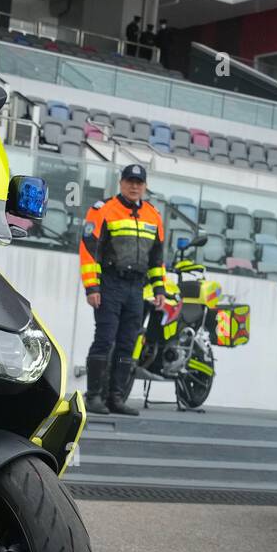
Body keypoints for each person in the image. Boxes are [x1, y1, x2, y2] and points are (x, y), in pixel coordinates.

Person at [79, 164, 166, 416]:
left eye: (139, 182)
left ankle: (115, 397)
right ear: (121, 183)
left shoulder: (153, 215)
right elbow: (89, 251)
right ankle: (93, 396)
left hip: (136, 288)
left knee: (128, 344)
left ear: (145, 186)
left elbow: (157, 258)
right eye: (130, 181)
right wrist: (92, 287)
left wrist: (159, 288)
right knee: (105, 340)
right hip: (110, 284)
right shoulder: (102, 210)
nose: (134, 186)